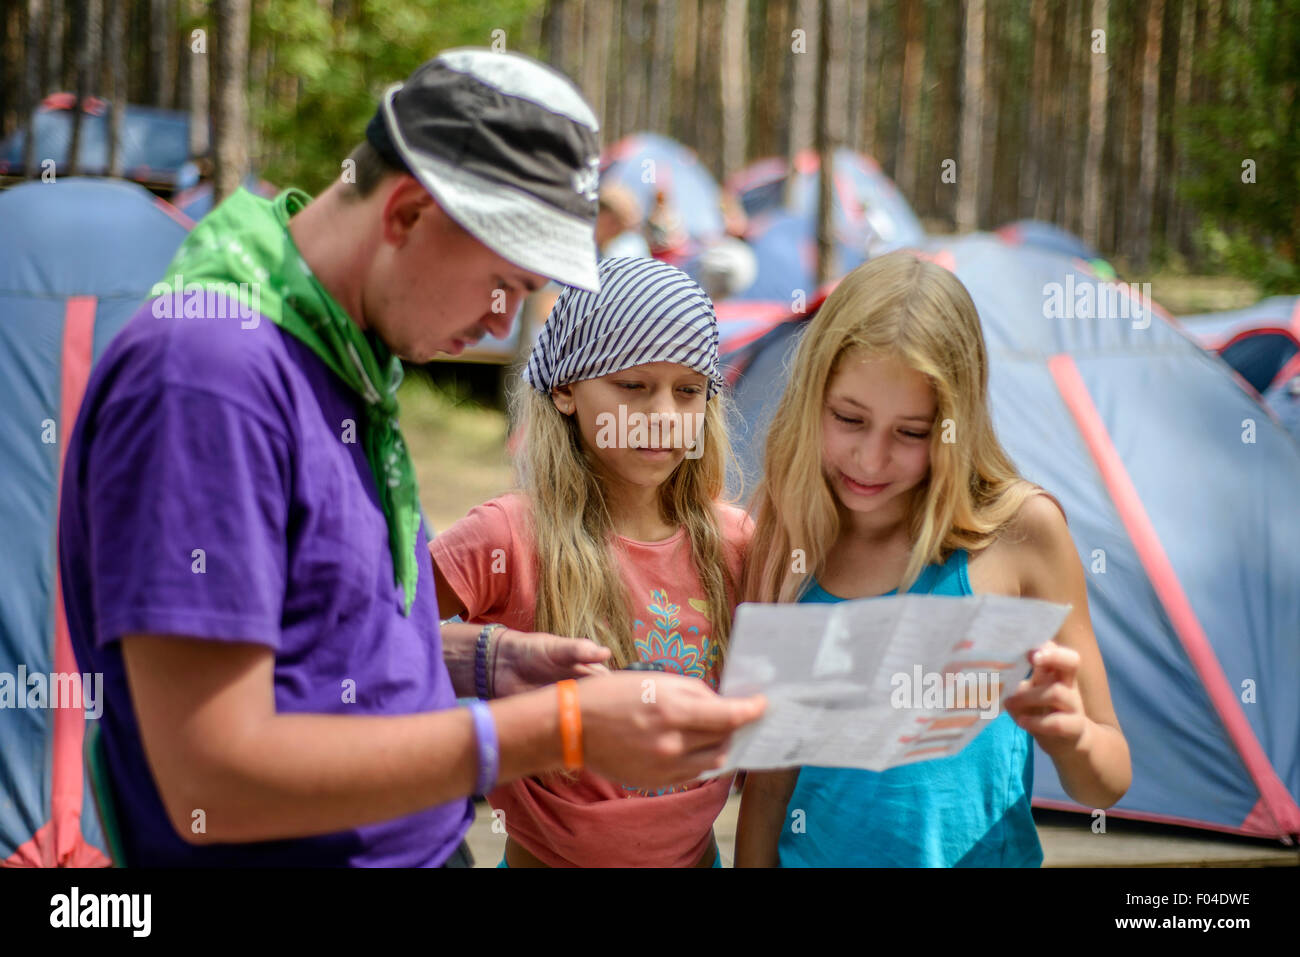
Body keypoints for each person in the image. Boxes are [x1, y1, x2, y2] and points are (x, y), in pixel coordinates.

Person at [58, 48, 763, 868]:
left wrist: (482, 658)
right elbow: (208, 779)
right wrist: (558, 730)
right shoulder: (211, 378)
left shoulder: (334, 353)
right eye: (503, 282)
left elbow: (316, 642)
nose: (503, 323)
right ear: (406, 214)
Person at [733, 251, 1130, 867]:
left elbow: (1106, 779)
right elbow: (769, 783)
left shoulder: (1022, 533)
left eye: (911, 433)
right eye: (848, 419)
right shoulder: (790, 537)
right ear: (812, 396)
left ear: (955, 425)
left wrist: (1072, 735)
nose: (870, 459)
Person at [430, 256, 749, 868]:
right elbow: (376, 629)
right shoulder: (508, 534)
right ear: (567, 389)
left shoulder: (736, 544)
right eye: (634, 386)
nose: (663, 416)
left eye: (688, 392)